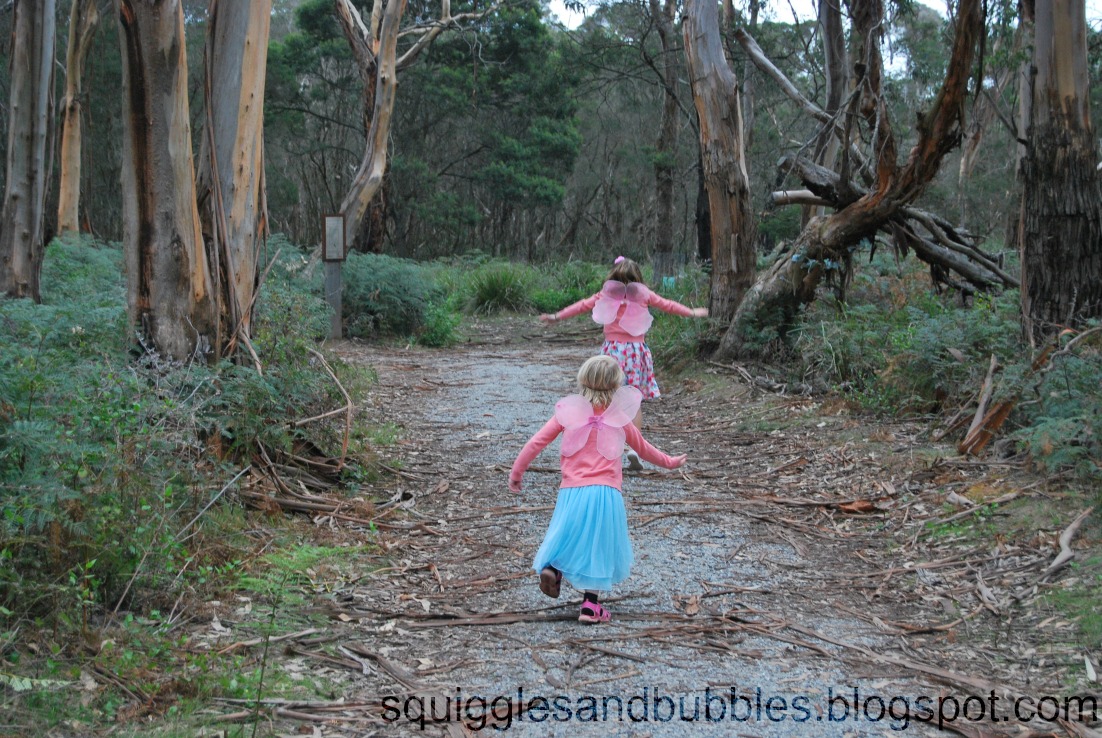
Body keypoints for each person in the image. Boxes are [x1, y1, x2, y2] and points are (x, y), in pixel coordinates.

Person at [509, 355, 687, 624]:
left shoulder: (567, 414)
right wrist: (670, 462)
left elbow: (536, 442)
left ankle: (554, 569)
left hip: (572, 491)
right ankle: (591, 606)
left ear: (582, 380)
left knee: (569, 535)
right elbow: (643, 448)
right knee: (597, 547)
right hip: (606, 493)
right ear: (616, 386)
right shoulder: (620, 419)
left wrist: (516, 473)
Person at [539, 256, 707, 469]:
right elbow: (668, 305)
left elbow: (582, 306)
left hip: (611, 354)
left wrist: (557, 316)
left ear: (612, 278)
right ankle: (634, 449)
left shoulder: (606, 294)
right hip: (635, 354)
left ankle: (601, 446)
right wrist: (691, 312)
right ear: (638, 279)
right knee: (633, 401)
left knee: (605, 399)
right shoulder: (643, 294)